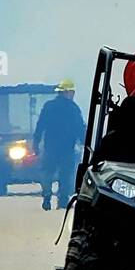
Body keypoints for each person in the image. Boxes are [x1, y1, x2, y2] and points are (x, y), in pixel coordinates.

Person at [34, 79, 85, 211]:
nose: (73, 94)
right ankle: (62, 201)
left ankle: (46, 197)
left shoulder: (48, 106)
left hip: (50, 148)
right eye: (72, 92)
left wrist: (36, 142)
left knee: (47, 173)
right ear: (67, 92)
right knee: (65, 175)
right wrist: (85, 142)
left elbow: (40, 126)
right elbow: (80, 128)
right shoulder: (73, 108)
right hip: (67, 149)